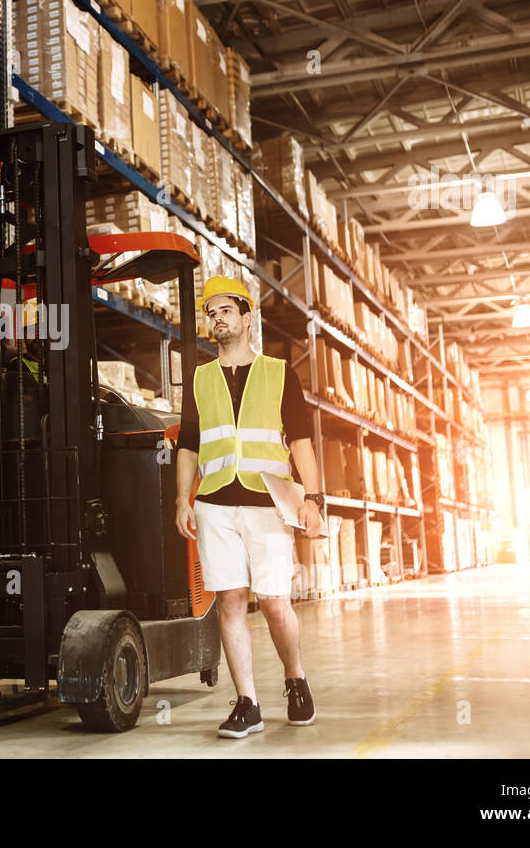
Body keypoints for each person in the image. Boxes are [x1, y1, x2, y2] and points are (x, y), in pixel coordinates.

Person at [174, 275, 324, 739]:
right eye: (210, 314)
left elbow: (300, 439)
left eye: (224, 311)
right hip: (215, 504)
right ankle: (247, 703)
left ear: (246, 316)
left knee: (276, 602)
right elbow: (189, 444)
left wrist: (314, 499)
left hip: (267, 503)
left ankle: (295, 680)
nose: (217, 320)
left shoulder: (280, 372)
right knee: (230, 601)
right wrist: (183, 497)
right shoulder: (200, 378)